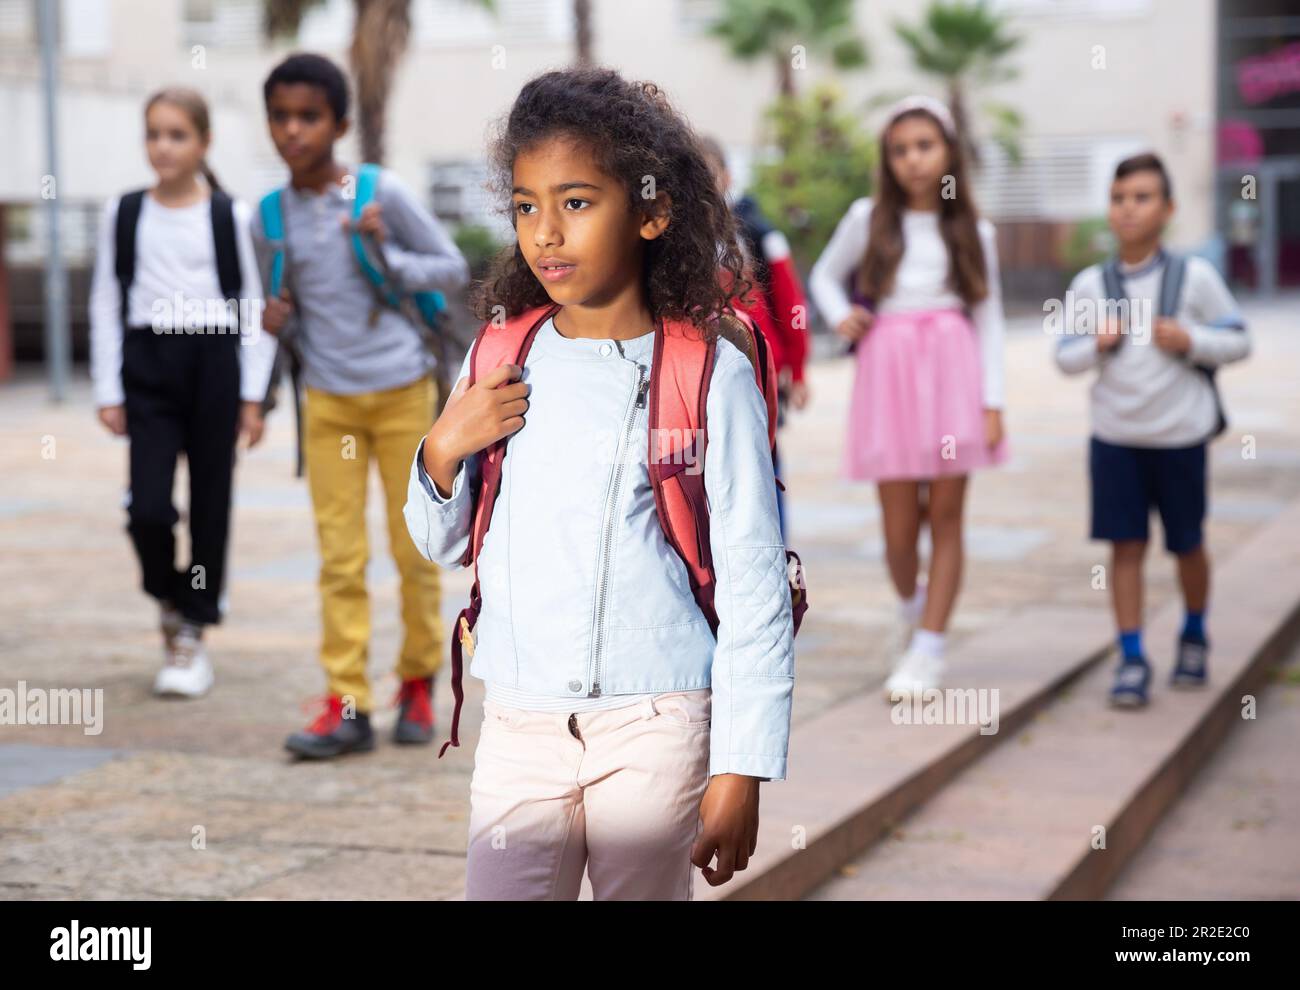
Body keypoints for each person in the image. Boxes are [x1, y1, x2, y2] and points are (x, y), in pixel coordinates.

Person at [404, 67, 795, 900]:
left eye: (577, 203)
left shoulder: (708, 373)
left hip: (658, 716)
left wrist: (744, 765)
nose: (546, 233)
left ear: (651, 212)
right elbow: (443, 540)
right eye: (525, 206)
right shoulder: (499, 355)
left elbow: (757, 578)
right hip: (518, 718)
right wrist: (441, 451)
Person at [252, 53, 470, 758]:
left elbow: (452, 268)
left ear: (340, 124)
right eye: (281, 117)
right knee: (340, 559)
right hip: (328, 403)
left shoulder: (380, 192)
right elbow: (279, 305)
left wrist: (388, 252)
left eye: (309, 116)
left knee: (413, 552)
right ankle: (347, 704)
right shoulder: (269, 216)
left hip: (404, 392)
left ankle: (415, 681)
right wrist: (276, 321)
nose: (293, 131)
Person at [808, 95, 1008, 698]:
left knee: (946, 517)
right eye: (900, 150)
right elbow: (822, 274)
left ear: (948, 152)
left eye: (925, 146)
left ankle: (930, 647)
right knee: (899, 528)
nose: (913, 161)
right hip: (888, 372)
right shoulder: (868, 217)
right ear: (887, 160)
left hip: (952, 372)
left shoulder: (974, 230)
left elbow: (990, 316)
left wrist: (991, 402)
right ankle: (912, 607)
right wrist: (842, 314)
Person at [89, 87, 276, 698]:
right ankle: (169, 591)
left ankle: (191, 628)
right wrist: (107, 388)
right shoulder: (123, 213)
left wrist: (251, 396)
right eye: (154, 134)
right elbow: (106, 302)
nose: (163, 146)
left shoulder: (232, 215)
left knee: (210, 505)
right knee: (147, 507)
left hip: (214, 362)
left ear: (203, 143)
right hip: (148, 364)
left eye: (177, 134)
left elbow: (253, 308)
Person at [1054, 153, 1250, 707]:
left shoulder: (1197, 277)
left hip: (1180, 439)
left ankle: (1193, 630)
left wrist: (1193, 341)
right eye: (1118, 199)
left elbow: (1240, 338)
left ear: (1168, 209)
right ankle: (1132, 654)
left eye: (1141, 198)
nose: (1128, 209)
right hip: (1115, 439)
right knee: (1126, 549)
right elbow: (1063, 357)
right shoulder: (1092, 284)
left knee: (1188, 544)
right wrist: (1096, 343)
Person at [699, 137, 811, 539]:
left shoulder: (759, 235)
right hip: (694, 377)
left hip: (757, 372)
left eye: (707, 176)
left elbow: (791, 303)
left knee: (761, 461)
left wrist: (796, 369)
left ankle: (774, 549)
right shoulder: (665, 242)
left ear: (727, 178)